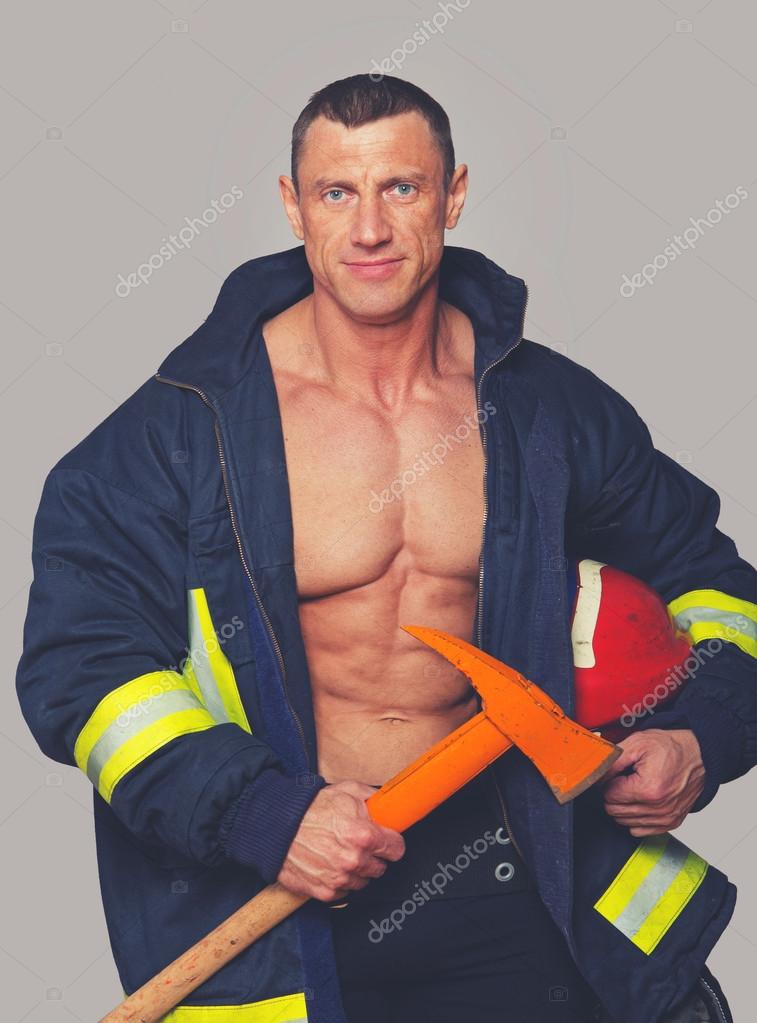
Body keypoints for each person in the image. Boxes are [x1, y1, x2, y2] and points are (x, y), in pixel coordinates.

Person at [16, 74, 756, 1023]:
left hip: (525, 880)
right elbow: (84, 672)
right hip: (292, 902)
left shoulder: (544, 413)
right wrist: (262, 813)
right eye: (337, 193)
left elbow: (716, 586)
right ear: (292, 205)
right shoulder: (172, 438)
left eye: (401, 189)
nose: (368, 229)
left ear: (452, 194)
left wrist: (701, 731)